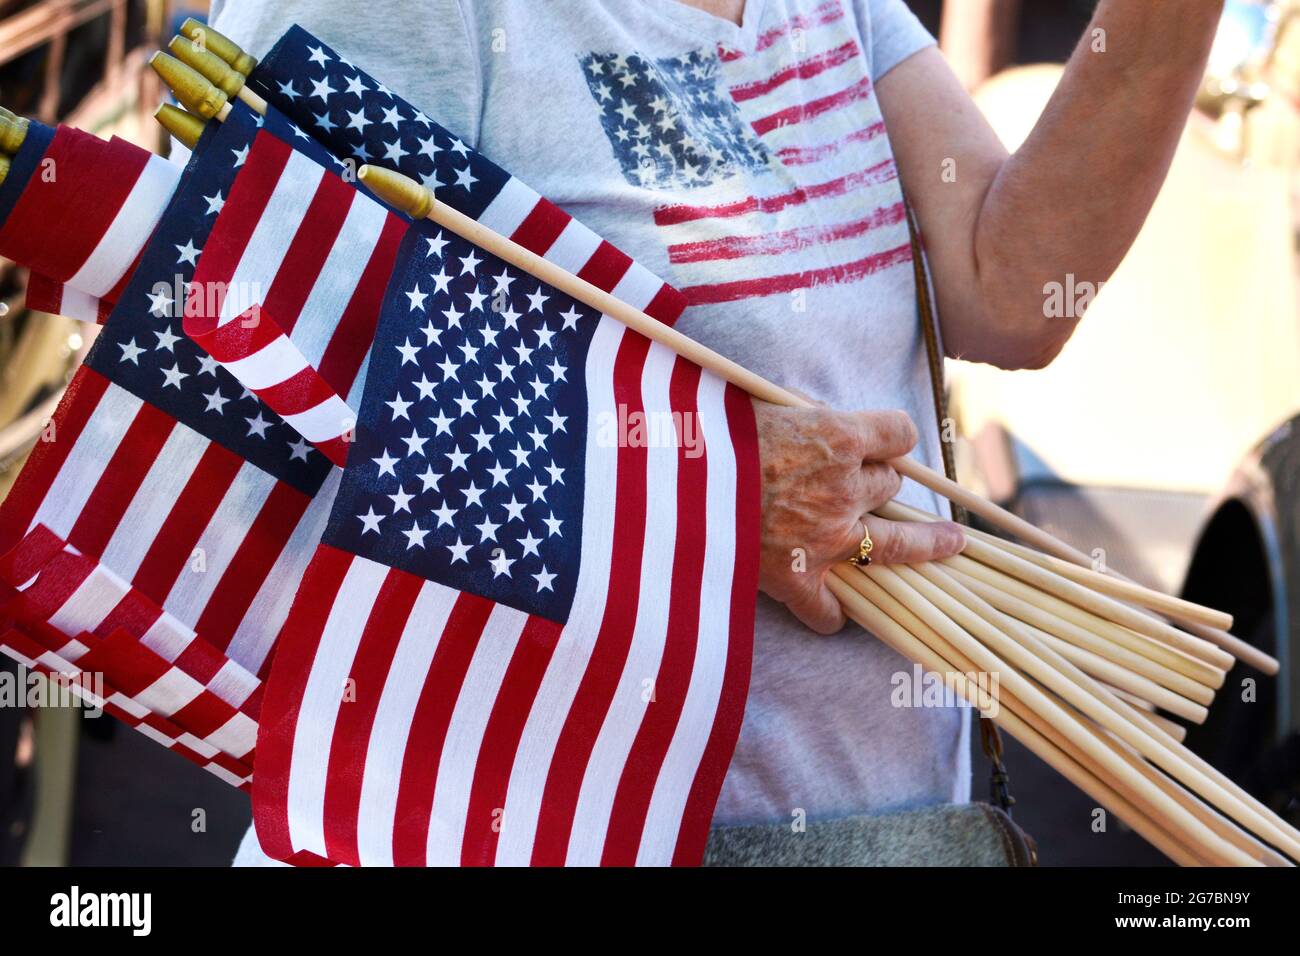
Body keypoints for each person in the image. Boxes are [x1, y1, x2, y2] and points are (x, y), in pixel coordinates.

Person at [218, 0, 1225, 863]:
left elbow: (1010, 294)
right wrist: (699, 488)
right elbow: (240, 365)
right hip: (538, 829)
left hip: (893, 832)